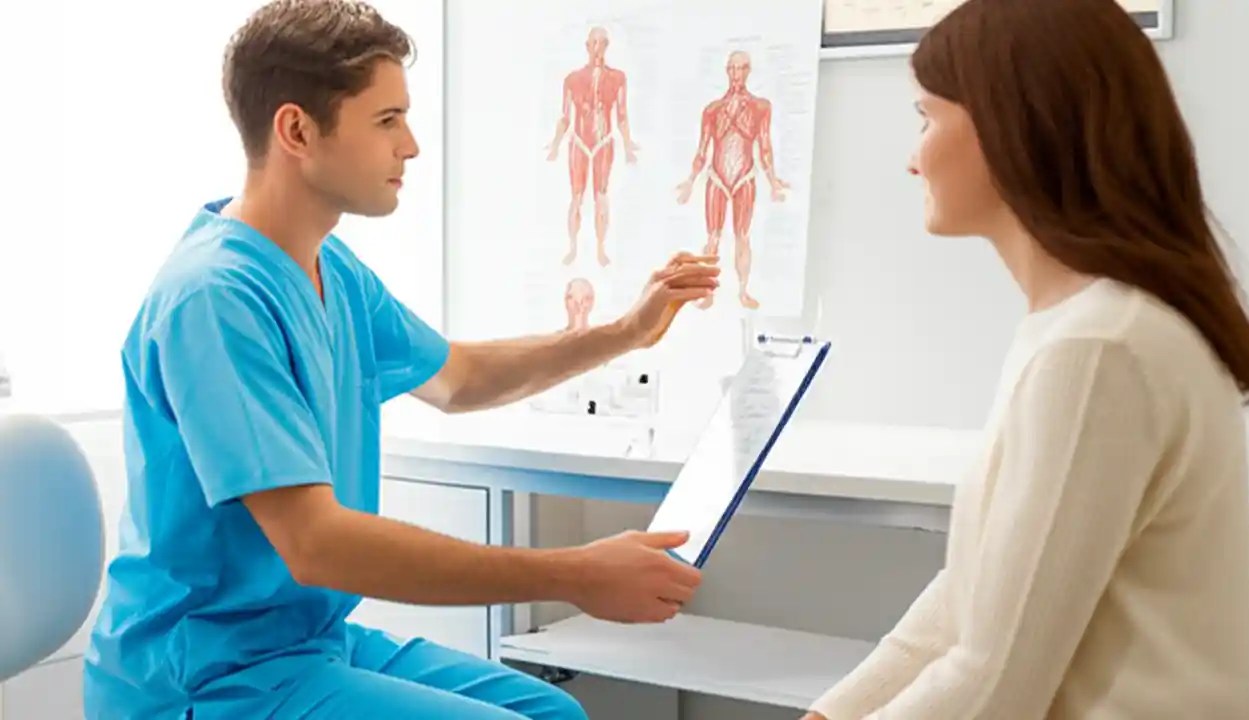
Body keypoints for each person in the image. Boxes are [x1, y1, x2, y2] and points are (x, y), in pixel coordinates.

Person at [83, 2, 718, 719]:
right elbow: (317, 544)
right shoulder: (213, 300)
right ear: (296, 129)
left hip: (304, 640)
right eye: (387, 120)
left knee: (555, 714)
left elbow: (459, 379)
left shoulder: (332, 271)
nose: (411, 145)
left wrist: (625, 332)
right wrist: (571, 574)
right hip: (203, 676)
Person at [804, 1, 1249, 718]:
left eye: (926, 118)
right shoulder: (1084, 329)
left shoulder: (1098, 350)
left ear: (1011, 126)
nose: (911, 156)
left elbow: (993, 682)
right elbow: (965, 605)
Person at [676, 50, 789, 310]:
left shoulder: (761, 107)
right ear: (727, 71)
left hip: (744, 176)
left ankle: (742, 290)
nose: (737, 74)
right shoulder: (712, 110)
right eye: (733, 69)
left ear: (749, 71)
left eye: (742, 68)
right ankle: (707, 293)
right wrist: (691, 181)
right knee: (713, 236)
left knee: (742, 235)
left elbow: (765, 145)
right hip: (717, 177)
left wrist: (772, 181)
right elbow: (703, 149)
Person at [546, 26, 639, 267]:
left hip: (604, 142)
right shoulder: (572, 79)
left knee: (601, 195)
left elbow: (621, 114)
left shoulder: (617, 78)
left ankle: (600, 248)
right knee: (576, 196)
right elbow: (565, 116)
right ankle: (573, 247)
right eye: (594, 43)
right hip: (579, 142)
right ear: (587, 46)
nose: (598, 48)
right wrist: (556, 144)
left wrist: (628, 145)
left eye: (603, 43)